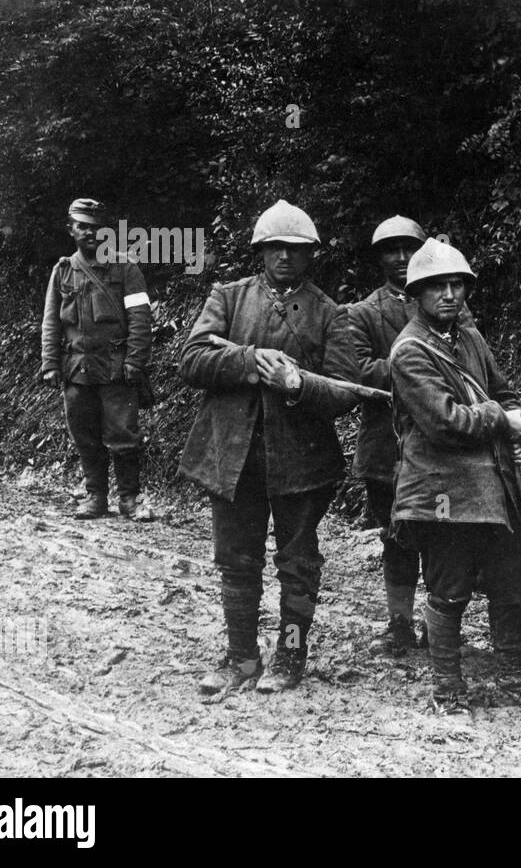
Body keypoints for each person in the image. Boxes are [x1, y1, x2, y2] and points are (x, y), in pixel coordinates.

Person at [179, 200, 359, 695]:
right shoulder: (229, 297)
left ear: (311, 255)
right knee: (236, 559)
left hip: (300, 461)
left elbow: (345, 391)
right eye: (275, 247)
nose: (285, 257)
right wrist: (250, 359)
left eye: (296, 249)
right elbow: (192, 360)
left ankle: (290, 657)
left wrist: (298, 382)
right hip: (232, 455)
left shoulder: (330, 313)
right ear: (261, 250)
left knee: (297, 564)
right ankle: (240, 657)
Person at [388, 238, 521, 710]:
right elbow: (446, 422)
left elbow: (503, 391)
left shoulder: (470, 338)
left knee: (510, 583)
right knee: (449, 588)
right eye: (437, 287)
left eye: (457, 285)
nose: (449, 294)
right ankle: (447, 689)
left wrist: (515, 422)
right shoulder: (408, 351)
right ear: (417, 294)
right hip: (441, 489)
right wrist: (499, 418)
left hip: (492, 484)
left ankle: (514, 676)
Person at [350, 215, 473, 656]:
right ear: (378, 257)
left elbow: (473, 362)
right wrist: (416, 372)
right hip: (387, 447)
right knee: (395, 538)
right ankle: (398, 622)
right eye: (391, 250)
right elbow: (355, 370)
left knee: (443, 536)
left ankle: (437, 621)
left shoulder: (449, 304)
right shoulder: (363, 312)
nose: (401, 258)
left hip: (442, 447)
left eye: (409, 248)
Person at [40, 198, 153, 520]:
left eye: (95, 227)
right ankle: (96, 497)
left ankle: (130, 499)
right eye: (82, 226)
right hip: (77, 368)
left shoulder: (126, 268)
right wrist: (50, 363)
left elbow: (140, 319)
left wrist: (135, 361)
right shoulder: (62, 271)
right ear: (71, 229)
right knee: (85, 435)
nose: (89, 233)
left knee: (124, 436)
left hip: (116, 367)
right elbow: (51, 321)